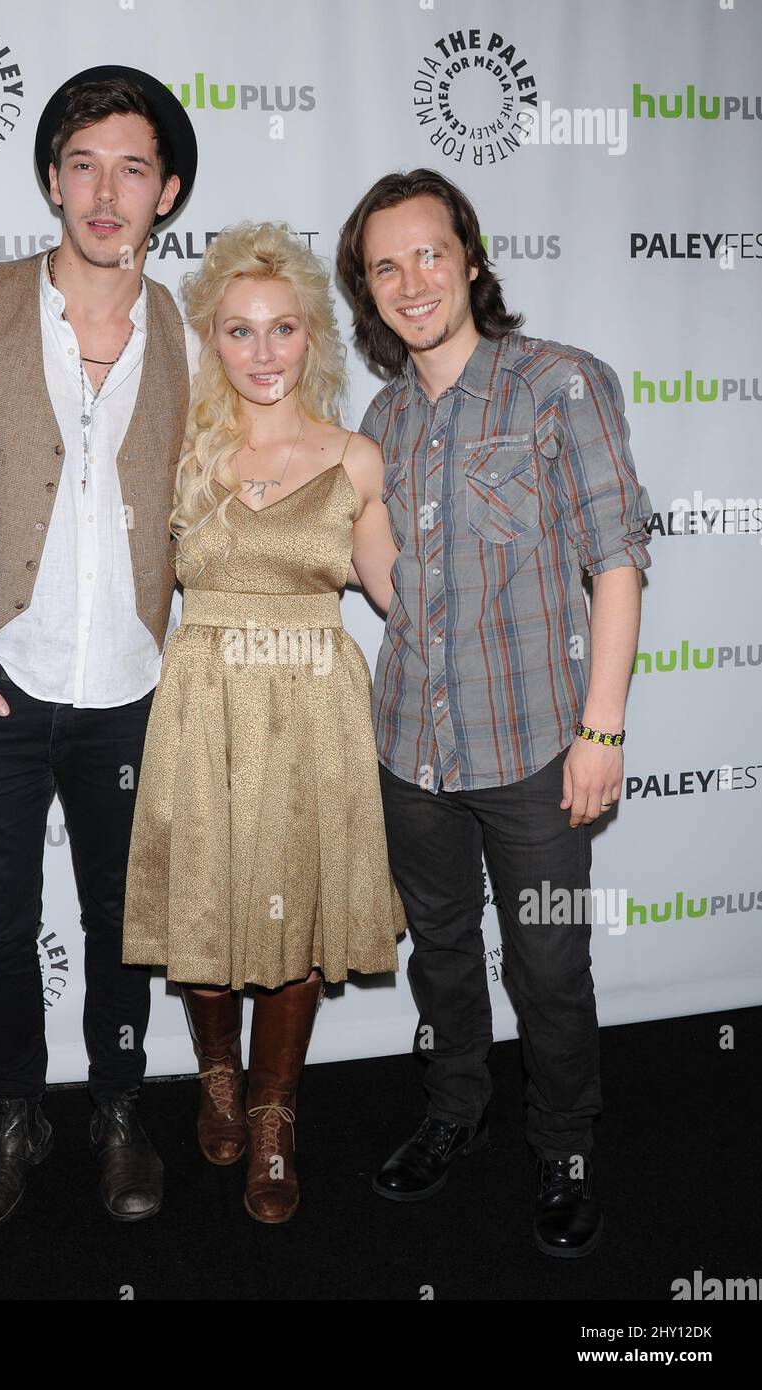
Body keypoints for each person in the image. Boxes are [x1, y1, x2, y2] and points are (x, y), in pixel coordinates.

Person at [0, 66, 199, 1234]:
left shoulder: (187, 329)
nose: (104, 191)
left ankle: (121, 1108)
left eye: (131, 168)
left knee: (126, 926)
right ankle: (13, 1109)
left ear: (166, 191)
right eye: (82, 164)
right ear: (53, 179)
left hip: (132, 688)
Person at [336, 169, 653, 1257]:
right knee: (440, 950)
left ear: (470, 258)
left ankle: (564, 1142)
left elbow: (617, 561)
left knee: (551, 962)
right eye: (386, 265)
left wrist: (601, 729)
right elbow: (390, 589)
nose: (412, 280)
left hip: (534, 751)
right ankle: (454, 1108)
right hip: (411, 752)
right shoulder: (378, 421)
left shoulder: (558, 385)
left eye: (430, 253)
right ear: (367, 291)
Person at [121, 221, 408, 1224]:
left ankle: (277, 1111)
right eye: (238, 331)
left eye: (282, 328)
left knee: (297, 913)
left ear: (312, 337)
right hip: (205, 701)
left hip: (313, 710)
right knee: (205, 898)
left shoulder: (356, 457)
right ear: (210, 337)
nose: (262, 351)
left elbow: (396, 592)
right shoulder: (175, 454)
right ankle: (216, 1072)